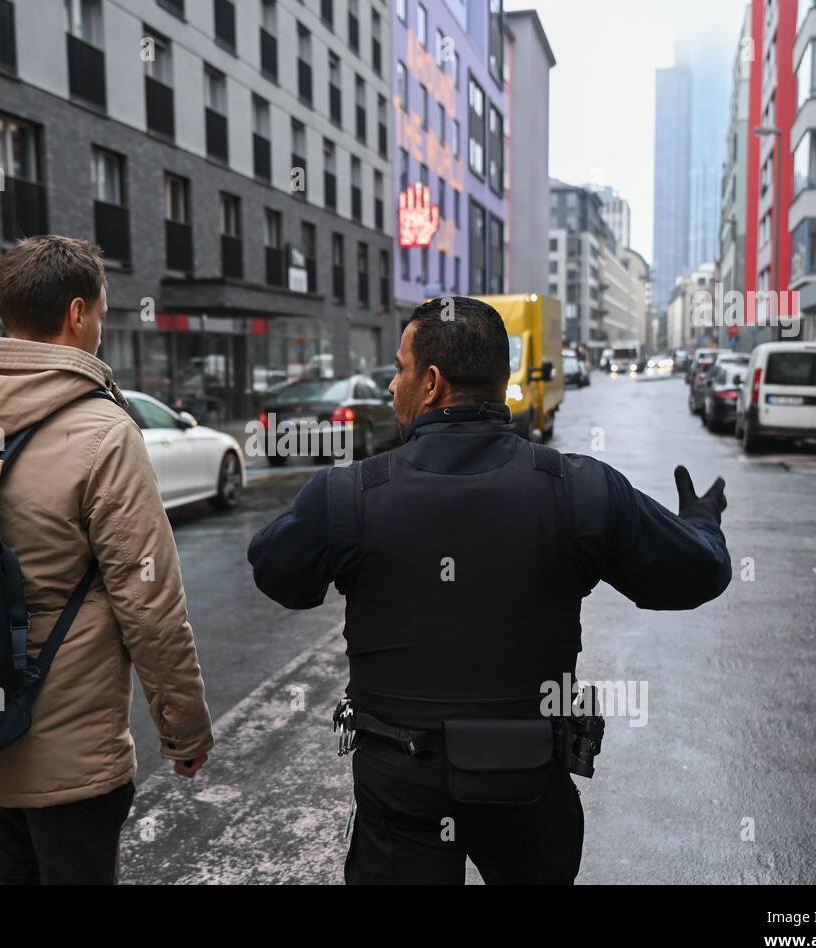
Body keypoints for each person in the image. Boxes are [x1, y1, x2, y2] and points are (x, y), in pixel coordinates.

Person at [248, 296, 731, 885]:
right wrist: (702, 520)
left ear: (430, 383)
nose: (392, 385)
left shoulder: (350, 495)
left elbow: (279, 576)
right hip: (526, 782)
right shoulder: (579, 490)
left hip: (402, 790)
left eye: (399, 369)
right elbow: (697, 575)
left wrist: (317, 507)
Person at [0, 235, 214, 884]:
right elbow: (147, 601)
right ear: (75, 313)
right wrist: (184, 730)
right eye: (101, 310)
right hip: (68, 740)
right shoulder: (101, 429)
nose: (100, 324)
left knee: (12, 864)